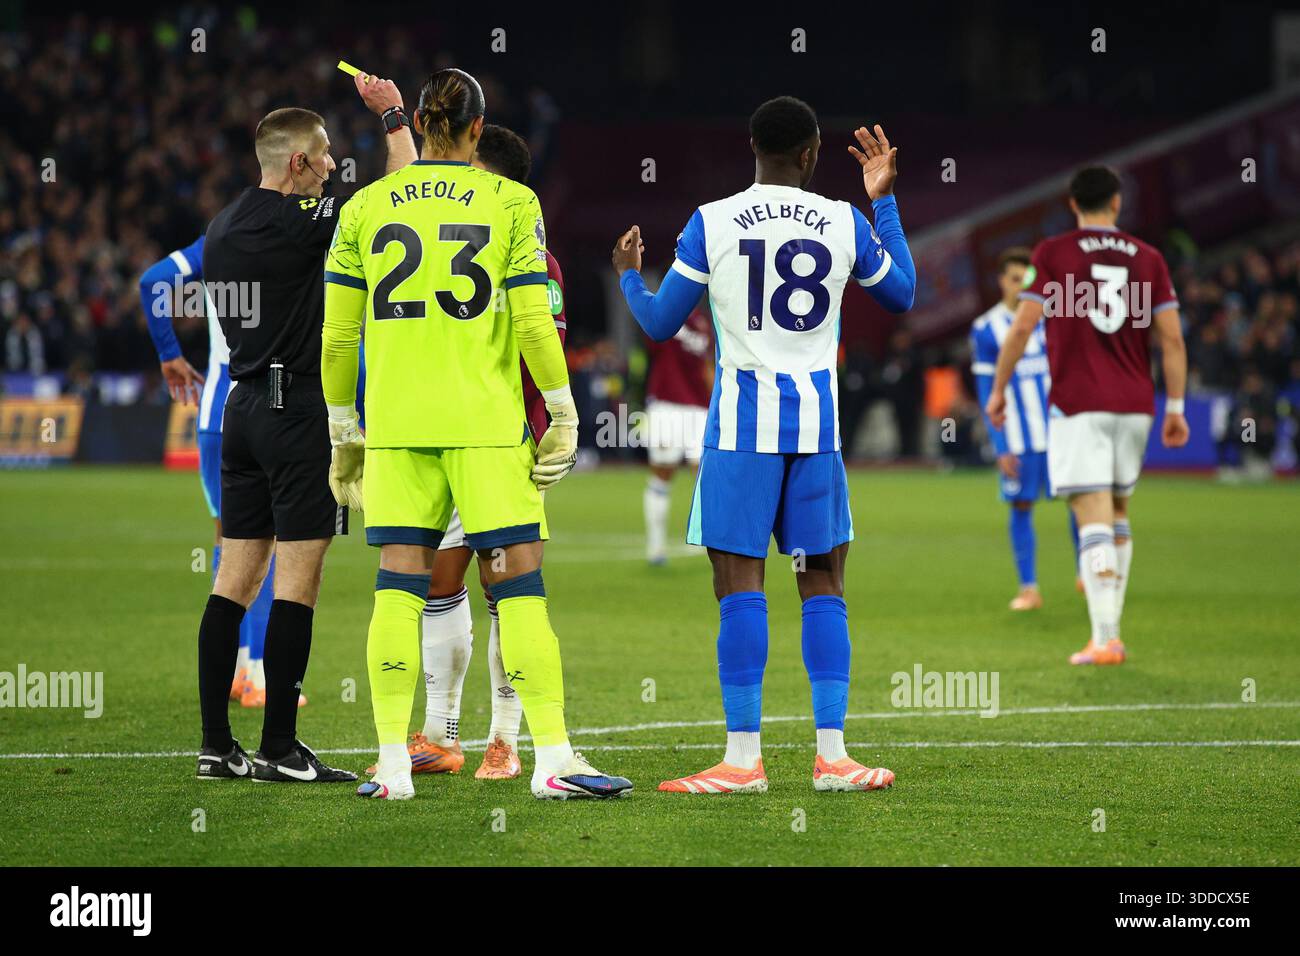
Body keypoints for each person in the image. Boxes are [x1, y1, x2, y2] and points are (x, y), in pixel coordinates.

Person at [321, 67, 631, 801]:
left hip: (398, 428)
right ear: (473, 131)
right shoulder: (511, 201)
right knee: (520, 589)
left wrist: (343, 428)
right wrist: (562, 409)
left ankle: (395, 765)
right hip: (487, 426)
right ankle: (552, 759)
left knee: (398, 589)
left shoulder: (366, 205)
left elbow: (336, 337)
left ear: (422, 125)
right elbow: (530, 318)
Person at [612, 96, 914, 794]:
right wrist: (885, 203)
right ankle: (834, 758)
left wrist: (629, 273)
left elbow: (659, 324)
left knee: (738, 586)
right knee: (822, 584)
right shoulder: (842, 219)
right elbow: (901, 295)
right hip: (815, 434)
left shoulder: (711, 221)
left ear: (751, 145)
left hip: (741, 437)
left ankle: (744, 761)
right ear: (811, 154)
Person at [194, 72, 416, 783]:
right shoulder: (298, 221)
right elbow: (399, 195)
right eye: (323, 157)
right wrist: (393, 117)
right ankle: (281, 748)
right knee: (298, 583)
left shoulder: (220, 227)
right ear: (298, 164)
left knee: (232, 582)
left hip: (242, 409)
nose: (331, 168)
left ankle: (214, 747)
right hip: (295, 413)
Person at [363, 123, 566, 782]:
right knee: (438, 583)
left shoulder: (536, 257)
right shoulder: (437, 235)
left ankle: (505, 739)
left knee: (504, 587)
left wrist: (546, 429)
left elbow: (542, 348)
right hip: (431, 439)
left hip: (502, 443)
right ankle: (440, 735)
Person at [986, 165, 1190, 666]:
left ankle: (1105, 637)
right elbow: (1173, 339)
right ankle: (1110, 629)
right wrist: (1177, 406)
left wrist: (998, 389)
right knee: (1117, 513)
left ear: (1073, 205)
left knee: (1092, 517)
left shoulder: (1052, 253)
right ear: (1117, 204)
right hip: (1137, 405)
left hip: (1079, 406)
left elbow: (1020, 329)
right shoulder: (1151, 258)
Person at [140, 236, 300, 709]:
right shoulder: (301, 234)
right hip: (268, 403)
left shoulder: (220, 238)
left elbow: (153, 281)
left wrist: (169, 353)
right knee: (265, 542)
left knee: (227, 539)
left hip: (214, 415)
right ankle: (258, 675)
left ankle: (237, 669)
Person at [970, 246, 1077, 610]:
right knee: (1021, 506)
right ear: (1002, 281)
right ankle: (1029, 588)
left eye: (1027, 280)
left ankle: (1087, 576)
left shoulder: (1051, 319)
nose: (1021, 287)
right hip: (1019, 436)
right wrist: (1000, 445)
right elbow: (987, 391)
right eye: (1015, 279)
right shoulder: (986, 329)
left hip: (1060, 432)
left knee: (1081, 502)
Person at [643, 305, 713, 565]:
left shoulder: (701, 322)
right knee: (667, 476)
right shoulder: (669, 313)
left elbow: (708, 367)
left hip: (695, 408)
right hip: (668, 404)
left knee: (703, 478)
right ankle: (656, 547)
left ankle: (709, 544)